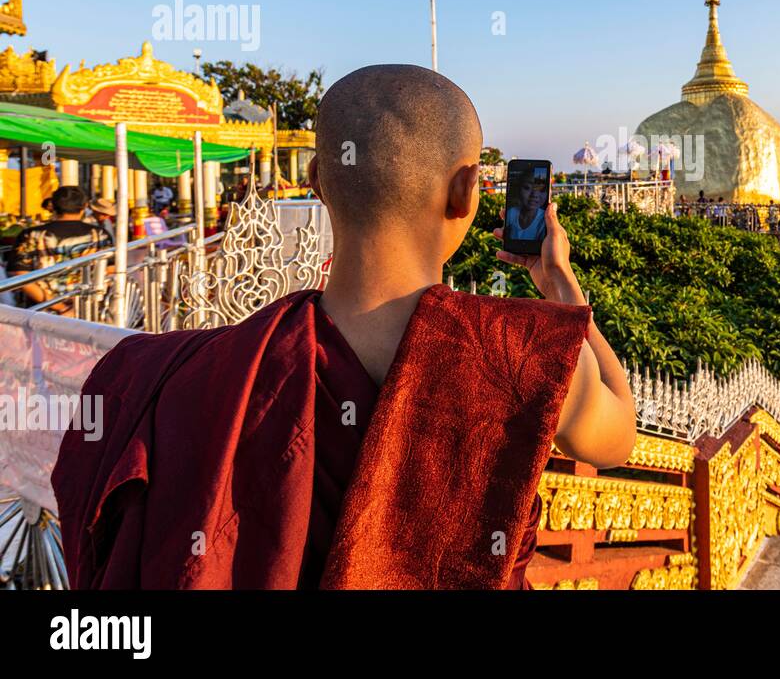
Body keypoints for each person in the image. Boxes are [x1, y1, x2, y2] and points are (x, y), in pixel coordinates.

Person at [53, 65, 638, 589]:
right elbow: (616, 441)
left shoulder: (191, 372)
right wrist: (560, 287)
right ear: (466, 193)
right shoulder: (521, 347)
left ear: (316, 180)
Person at [6, 186, 112, 314]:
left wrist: (61, 308)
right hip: (89, 310)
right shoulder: (100, 234)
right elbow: (110, 270)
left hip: (42, 312)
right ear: (85, 206)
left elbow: (19, 275)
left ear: (53, 206)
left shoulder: (31, 234)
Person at [505, 174, 547, 241]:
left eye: (542, 189)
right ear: (518, 190)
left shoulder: (546, 220)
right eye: (527, 187)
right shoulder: (511, 213)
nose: (534, 195)